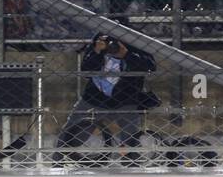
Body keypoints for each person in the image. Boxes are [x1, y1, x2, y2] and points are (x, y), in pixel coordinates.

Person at [55, 30, 157, 165]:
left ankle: (130, 162)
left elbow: (150, 66)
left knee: (131, 136)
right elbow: (86, 70)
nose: (112, 46)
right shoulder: (101, 38)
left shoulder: (135, 39)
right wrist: (97, 51)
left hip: (126, 98)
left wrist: (126, 54)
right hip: (95, 97)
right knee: (73, 131)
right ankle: (59, 161)